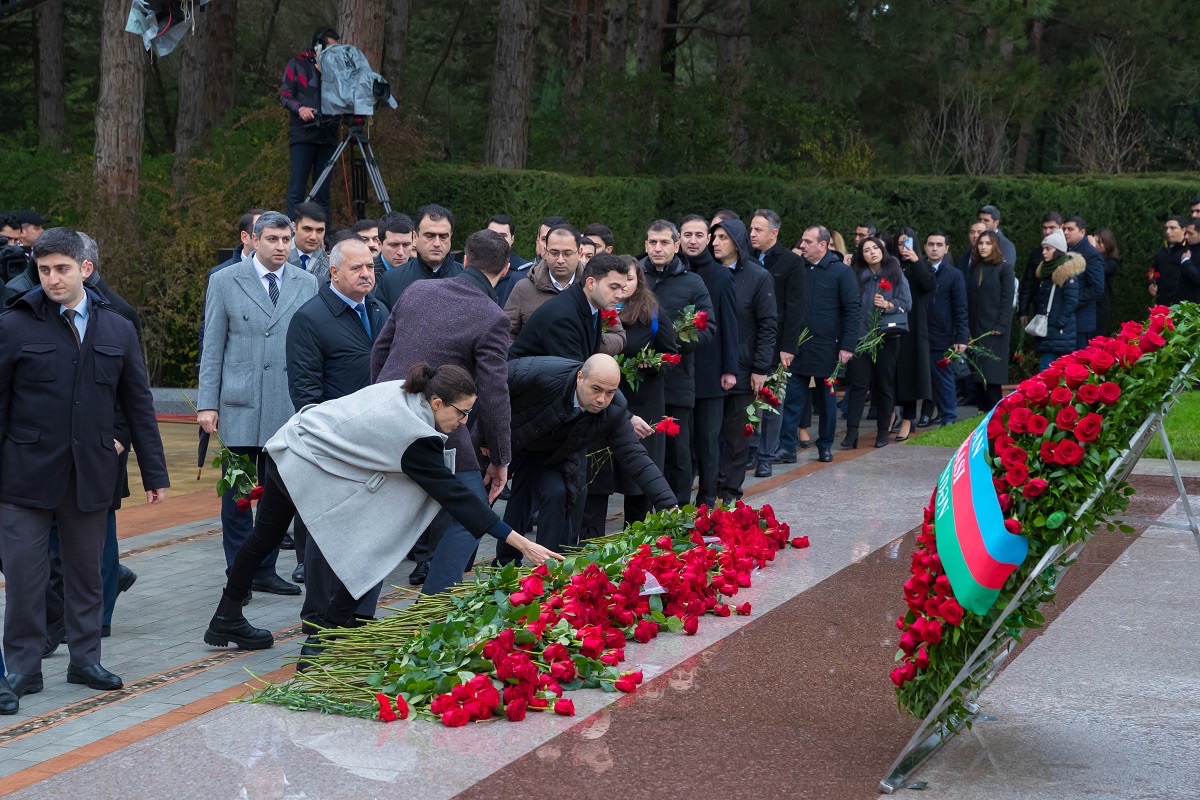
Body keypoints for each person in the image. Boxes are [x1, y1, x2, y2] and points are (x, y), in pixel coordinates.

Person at [203, 363, 561, 654]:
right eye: (462, 413)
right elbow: (459, 498)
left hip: (292, 443)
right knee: (363, 545)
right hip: (306, 461)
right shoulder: (415, 437)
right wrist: (520, 542)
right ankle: (318, 646)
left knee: (268, 538)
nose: (464, 422)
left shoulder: (409, 393)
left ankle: (227, 617)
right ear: (437, 403)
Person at [0, 228, 168, 711]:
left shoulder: (117, 328)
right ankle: (23, 668)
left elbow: (137, 405)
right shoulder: (14, 326)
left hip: (90, 473)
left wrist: (155, 473)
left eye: (62, 269)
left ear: (85, 269)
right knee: (25, 579)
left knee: (88, 575)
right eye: (44, 270)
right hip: (24, 476)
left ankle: (85, 660)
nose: (52, 279)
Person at [370, 230, 515, 595]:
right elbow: (494, 393)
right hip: (440, 419)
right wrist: (500, 458)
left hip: (384, 413)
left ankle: (357, 610)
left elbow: (380, 351)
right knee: (473, 511)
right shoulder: (493, 316)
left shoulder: (417, 290)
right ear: (505, 270)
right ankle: (435, 604)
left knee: (377, 523)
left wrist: (380, 399)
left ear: (464, 260)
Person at [198, 210, 318, 597]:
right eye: (272, 239)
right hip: (240, 403)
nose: (281, 246)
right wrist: (207, 403)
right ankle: (240, 575)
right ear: (253, 239)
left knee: (276, 498)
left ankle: (265, 570)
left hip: (286, 404)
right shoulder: (225, 280)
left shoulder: (306, 282)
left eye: (286, 239)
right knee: (238, 497)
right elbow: (213, 346)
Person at [496, 355, 678, 563]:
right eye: (596, 389)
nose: (601, 399)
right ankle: (495, 564)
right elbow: (494, 385)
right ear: (580, 377)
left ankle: (546, 568)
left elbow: (636, 457)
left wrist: (669, 505)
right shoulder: (544, 374)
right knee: (481, 498)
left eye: (610, 392)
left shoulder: (614, 410)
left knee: (556, 493)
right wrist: (487, 442)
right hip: (506, 439)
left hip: (550, 456)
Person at [284, 238, 388, 589]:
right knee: (327, 520)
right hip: (334, 438)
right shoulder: (310, 318)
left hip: (377, 434)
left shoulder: (379, 310)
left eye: (370, 266)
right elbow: (305, 390)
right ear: (334, 272)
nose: (366, 273)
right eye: (356, 267)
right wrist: (325, 436)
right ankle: (315, 595)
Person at [581, 257, 678, 535]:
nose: (622, 287)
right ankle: (590, 541)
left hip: (643, 401)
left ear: (639, 281)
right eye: (617, 283)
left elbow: (670, 354)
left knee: (638, 480)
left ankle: (637, 539)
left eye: (629, 280)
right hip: (601, 401)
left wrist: (654, 364)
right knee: (597, 475)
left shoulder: (652, 312)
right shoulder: (599, 310)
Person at [640, 220, 717, 504]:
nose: (657, 248)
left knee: (678, 455)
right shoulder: (634, 276)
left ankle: (678, 511)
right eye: (652, 242)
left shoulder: (692, 282)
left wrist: (669, 345)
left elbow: (709, 328)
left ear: (676, 246)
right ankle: (643, 515)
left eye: (664, 243)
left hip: (677, 379)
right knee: (644, 453)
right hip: (639, 380)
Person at [775, 227, 859, 464]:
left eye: (807, 241)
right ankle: (787, 448)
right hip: (798, 346)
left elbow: (852, 310)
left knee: (827, 402)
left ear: (823, 245)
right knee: (792, 399)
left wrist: (847, 346)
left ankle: (825, 446)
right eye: (802, 241)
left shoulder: (841, 272)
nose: (802, 245)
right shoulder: (797, 269)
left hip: (828, 347)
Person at [711, 218, 776, 499]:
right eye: (714, 237)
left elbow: (767, 325)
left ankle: (730, 490)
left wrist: (760, 367)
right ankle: (711, 486)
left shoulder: (758, 277)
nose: (715, 243)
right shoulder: (707, 273)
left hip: (743, 367)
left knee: (737, 436)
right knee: (710, 434)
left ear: (737, 243)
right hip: (711, 366)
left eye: (723, 238)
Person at [679, 214, 737, 507]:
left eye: (699, 235)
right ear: (678, 238)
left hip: (710, 370)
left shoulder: (721, 275)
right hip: (677, 369)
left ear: (708, 239)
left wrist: (729, 368)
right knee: (680, 442)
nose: (693, 241)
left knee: (708, 440)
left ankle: (706, 500)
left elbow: (729, 324)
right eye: (687, 235)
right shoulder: (671, 271)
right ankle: (676, 501)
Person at [747, 209, 804, 478]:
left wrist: (788, 346)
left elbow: (795, 307)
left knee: (772, 402)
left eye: (758, 230)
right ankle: (749, 449)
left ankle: (766, 456)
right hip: (749, 340)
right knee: (747, 400)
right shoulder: (745, 257)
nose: (752, 234)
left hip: (777, 342)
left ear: (774, 233)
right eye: (751, 229)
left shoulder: (791, 262)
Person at [842, 236, 911, 450]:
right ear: (861, 255)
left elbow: (906, 303)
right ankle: (851, 432)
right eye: (866, 250)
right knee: (858, 385)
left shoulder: (895, 272)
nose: (872, 252)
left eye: (875, 248)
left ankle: (882, 431)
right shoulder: (855, 275)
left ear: (882, 250)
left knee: (884, 385)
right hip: (861, 338)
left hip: (886, 338)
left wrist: (888, 304)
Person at [509, 253, 631, 361]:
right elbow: (571, 372)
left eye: (622, 288)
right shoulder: (564, 317)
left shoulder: (589, 304)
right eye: (613, 287)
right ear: (591, 283)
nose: (619, 295)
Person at [280, 27, 341, 219]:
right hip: (303, 134)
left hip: (328, 135)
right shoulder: (297, 64)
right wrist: (300, 109)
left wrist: (328, 76)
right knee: (297, 189)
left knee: (323, 193)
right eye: (330, 48)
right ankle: (292, 232)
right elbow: (285, 94)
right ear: (318, 47)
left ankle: (323, 235)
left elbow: (344, 98)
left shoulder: (336, 70)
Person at [374, 204, 462, 310]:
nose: (437, 243)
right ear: (415, 237)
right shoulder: (390, 280)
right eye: (429, 236)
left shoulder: (466, 278)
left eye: (443, 236)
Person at [891, 228, 934, 441]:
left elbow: (928, 285)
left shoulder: (922, 265)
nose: (903, 247)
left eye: (906, 242)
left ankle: (908, 418)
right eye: (899, 243)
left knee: (909, 373)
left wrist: (916, 262)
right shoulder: (891, 265)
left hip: (913, 325)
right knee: (890, 372)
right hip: (890, 322)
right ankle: (891, 414)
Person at [923, 231, 968, 427]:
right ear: (925, 247)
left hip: (942, 335)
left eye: (939, 245)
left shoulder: (954, 275)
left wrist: (961, 337)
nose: (934, 248)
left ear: (946, 248)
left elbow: (961, 308)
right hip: (920, 334)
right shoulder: (918, 270)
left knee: (944, 377)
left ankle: (949, 416)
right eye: (931, 244)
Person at [965, 231, 1014, 410]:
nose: (983, 247)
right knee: (978, 373)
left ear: (995, 246)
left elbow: (1007, 300)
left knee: (992, 374)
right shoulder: (975, 267)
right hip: (976, 328)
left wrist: (1001, 325)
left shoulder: (1004, 268)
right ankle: (982, 412)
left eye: (988, 243)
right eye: (981, 243)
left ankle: (995, 413)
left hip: (995, 329)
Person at [1031, 230, 1083, 370]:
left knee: (1049, 371)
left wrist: (1060, 322)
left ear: (1058, 250)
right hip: (1049, 331)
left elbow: (1071, 301)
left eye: (1048, 249)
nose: (1044, 252)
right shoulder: (1047, 273)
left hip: (1059, 331)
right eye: (1043, 249)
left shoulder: (1066, 275)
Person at [495, 215, 568, 308]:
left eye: (555, 240)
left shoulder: (580, 277)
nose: (548, 245)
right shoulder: (520, 277)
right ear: (537, 242)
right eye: (544, 239)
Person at [1061, 216, 1105, 348]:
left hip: (1081, 322)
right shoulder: (1065, 251)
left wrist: (1072, 301)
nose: (1066, 232)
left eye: (1070, 229)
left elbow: (1097, 288)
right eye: (1064, 229)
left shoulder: (1091, 254)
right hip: (1067, 320)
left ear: (1082, 232)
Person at [1018, 213, 1063, 321]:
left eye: (1052, 227)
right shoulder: (1036, 253)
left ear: (1061, 227)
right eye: (1045, 228)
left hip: (1060, 312)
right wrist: (1023, 310)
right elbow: (1028, 283)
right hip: (1039, 309)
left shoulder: (1068, 252)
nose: (1047, 232)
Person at [1149, 216, 1187, 306]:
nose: (1168, 232)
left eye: (1172, 228)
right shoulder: (1162, 252)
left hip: (1183, 303)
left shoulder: (1189, 251)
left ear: (1183, 230)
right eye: (1166, 228)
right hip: (1162, 302)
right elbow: (1152, 270)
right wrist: (1150, 283)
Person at [289, 202, 330, 283]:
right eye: (307, 229)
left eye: (319, 230)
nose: (313, 237)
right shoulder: (278, 256)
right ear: (294, 227)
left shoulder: (330, 263)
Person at [1091, 228, 1120, 335]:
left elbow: (1098, 270)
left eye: (1098, 242)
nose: (1096, 245)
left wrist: (1092, 250)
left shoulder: (1112, 262)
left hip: (1101, 306)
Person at [372, 211, 416, 283]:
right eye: (394, 245)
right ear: (379, 244)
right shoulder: (368, 273)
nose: (400, 252)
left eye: (406, 244)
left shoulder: (423, 270)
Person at [978, 204, 1017, 268]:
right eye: (980, 220)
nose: (981, 223)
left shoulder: (1007, 245)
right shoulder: (975, 241)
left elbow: (1007, 270)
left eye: (986, 220)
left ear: (996, 223)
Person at [1180, 218, 1200, 304]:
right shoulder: (1185, 248)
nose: (1186, 236)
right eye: (1186, 233)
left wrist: (1186, 262)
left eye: (1190, 233)